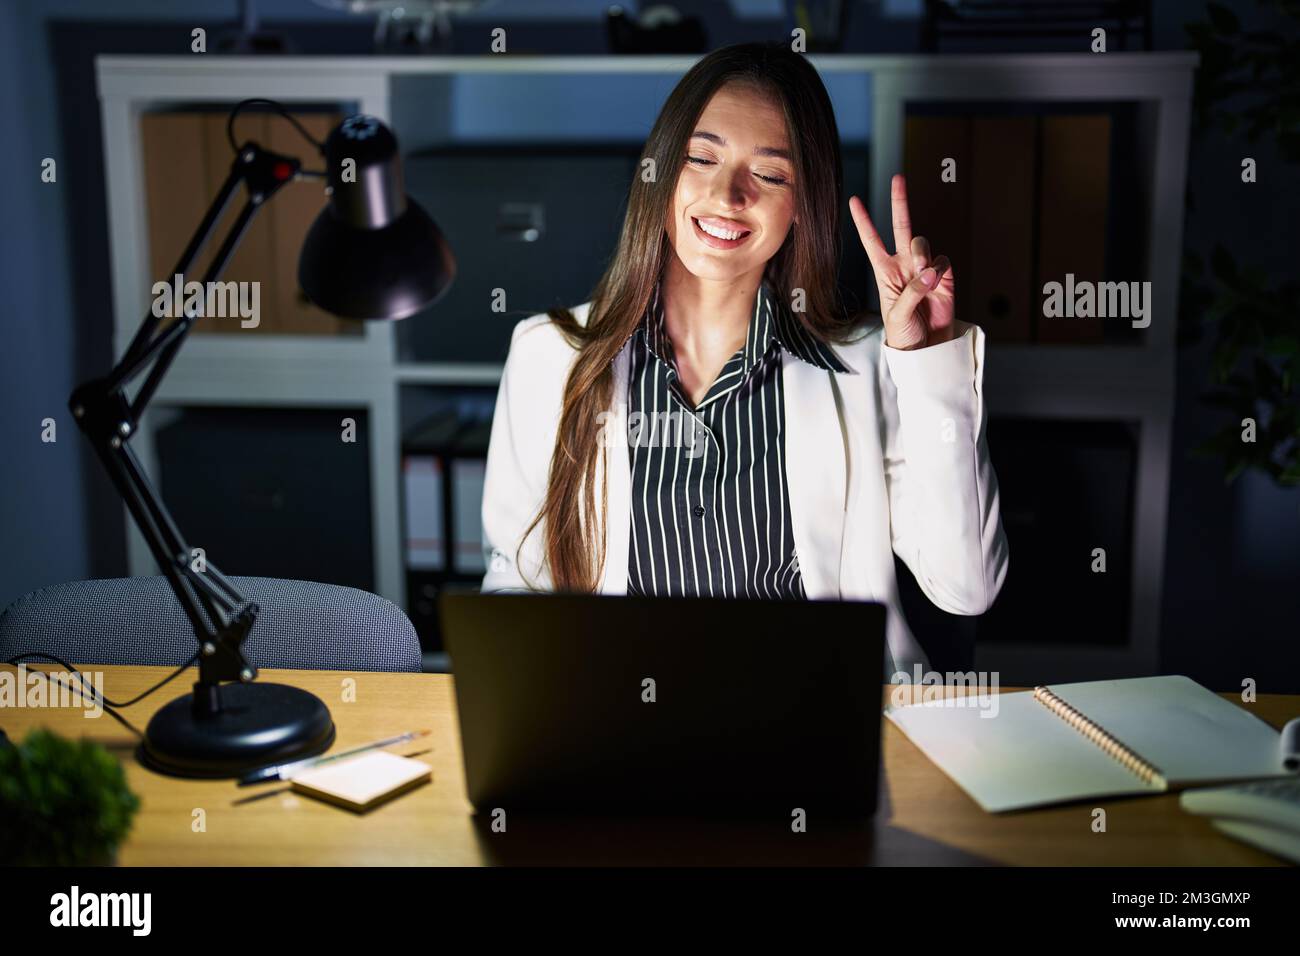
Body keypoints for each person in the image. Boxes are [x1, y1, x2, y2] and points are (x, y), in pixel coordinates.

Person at [480, 42, 1008, 674]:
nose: (728, 195)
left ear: (801, 204)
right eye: (701, 157)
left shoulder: (871, 368)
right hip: (625, 727)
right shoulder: (548, 357)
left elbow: (968, 587)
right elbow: (516, 587)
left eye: (770, 174)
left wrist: (928, 363)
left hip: (817, 731)